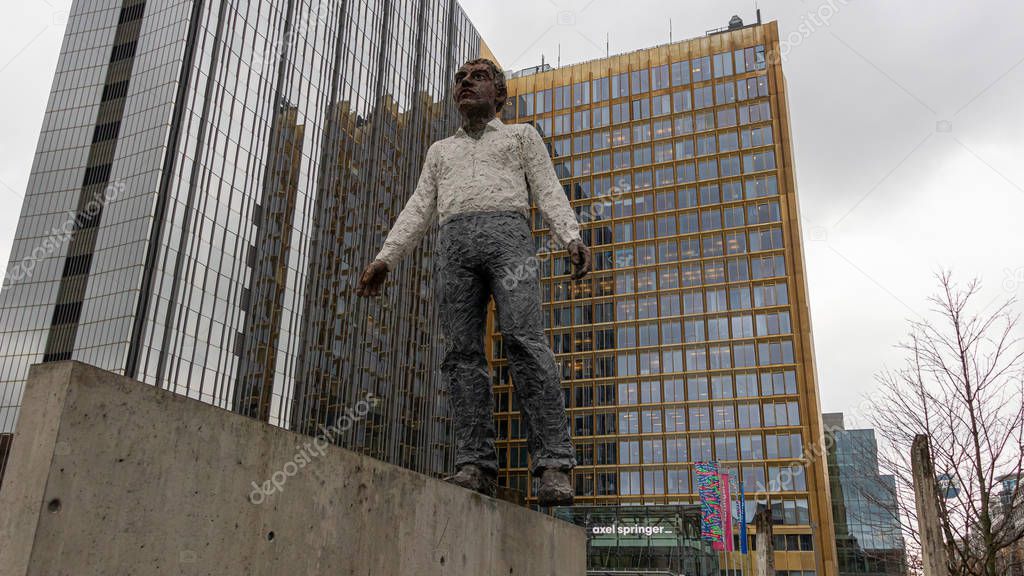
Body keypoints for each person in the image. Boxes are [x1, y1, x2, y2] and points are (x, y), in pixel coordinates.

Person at [355, 58, 591, 506]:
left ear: (499, 95)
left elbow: (547, 188)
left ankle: (554, 463)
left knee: (524, 340)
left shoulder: (522, 137)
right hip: (455, 248)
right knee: (462, 356)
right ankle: (475, 464)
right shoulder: (441, 151)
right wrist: (387, 257)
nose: (464, 83)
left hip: (509, 241)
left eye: (476, 77)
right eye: (459, 79)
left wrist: (571, 236)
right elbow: (419, 206)